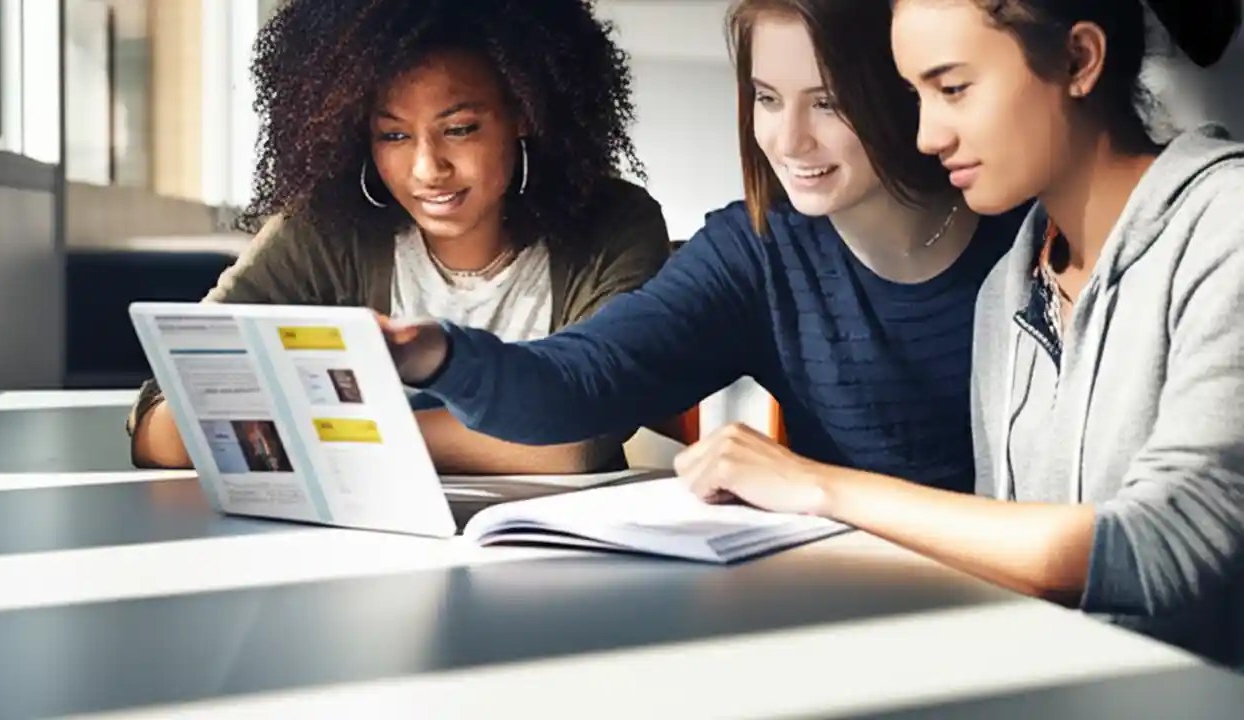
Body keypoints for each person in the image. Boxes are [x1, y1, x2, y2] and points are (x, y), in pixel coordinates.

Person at [681, 0, 1244, 665]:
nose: (925, 135)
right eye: (917, 94)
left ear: (1078, 59)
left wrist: (821, 486)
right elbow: (1007, 572)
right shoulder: (1007, 291)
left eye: (953, 89)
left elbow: (1168, 545)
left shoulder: (1225, 229)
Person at [383, 0, 1027, 499]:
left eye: (827, 103)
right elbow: (579, 380)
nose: (790, 140)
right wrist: (434, 354)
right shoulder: (755, 255)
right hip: (847, 593)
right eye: (768, 100)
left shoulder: (1028, 230)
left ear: (899, 90)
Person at [126, 0, 671, 474]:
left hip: (556, 562)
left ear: (524, 112)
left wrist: (313, 435)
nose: (427, 167)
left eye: (459, 129)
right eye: (393, 135)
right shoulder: (325, 230)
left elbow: (579, 436)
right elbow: (162, 420)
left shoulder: (614, 225)